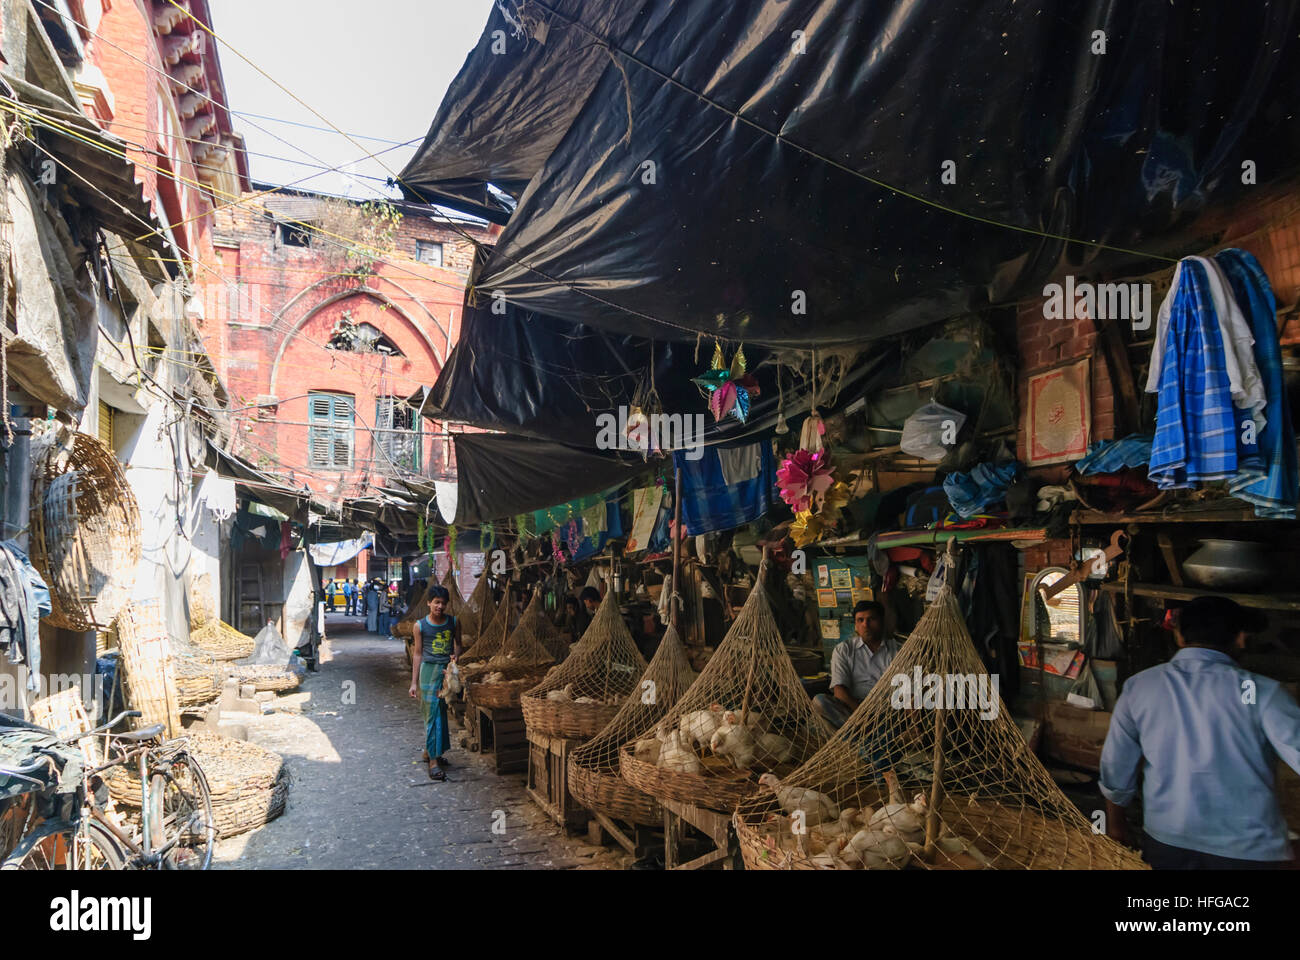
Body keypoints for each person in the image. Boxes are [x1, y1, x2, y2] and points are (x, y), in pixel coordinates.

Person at [1100, 596, 1300, 869]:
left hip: (1167, 842)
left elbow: (1116, 766)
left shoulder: (1140, 687)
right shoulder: (1262, 693)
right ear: (1240, 638)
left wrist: (1116, 827)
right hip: (1248, 851)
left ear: (1180, 636)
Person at [812, 600, 898, 729]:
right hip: (855, 711)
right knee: (820, 702)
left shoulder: (897, 650)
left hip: (887, 711)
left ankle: (865, 739)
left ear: (882, 621)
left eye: (871, 619)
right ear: (856, 625)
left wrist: (913, 722)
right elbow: (839, 691)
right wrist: (863, 717)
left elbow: (907, 690)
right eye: (860, 620)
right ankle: (871, 737)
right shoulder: (844, 650)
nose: (865, 625)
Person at [407, 585, 461, 781]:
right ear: (429, 603)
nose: (440, 606)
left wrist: (455, 659)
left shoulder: (453, 622)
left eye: (443, 603)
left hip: (446, 673)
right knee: (431, 716)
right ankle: (433, 762)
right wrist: (413, 683)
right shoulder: (419, 626)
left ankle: (432, 752)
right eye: (436, 602)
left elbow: (458, 644)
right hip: (428, 672)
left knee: (441, 714)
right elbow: (418, 653)